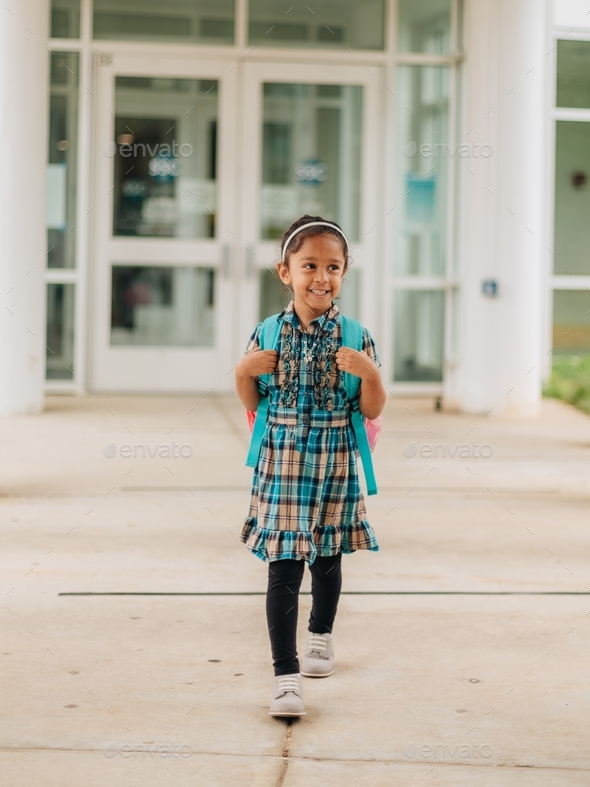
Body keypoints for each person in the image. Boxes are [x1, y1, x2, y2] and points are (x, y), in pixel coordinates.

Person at [235, 215, 386, 717]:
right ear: (285, 271)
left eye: (333, 267)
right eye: (309, 266)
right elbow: (251, 400)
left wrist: (369, 373)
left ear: (344, 273)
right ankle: (285, 675)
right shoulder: (266, 332)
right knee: (283, 566)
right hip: (282, 462)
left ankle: (320, 632)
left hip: (335, 458)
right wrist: (242, 371)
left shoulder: (356, 334)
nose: (321, 277)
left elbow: (371, 409)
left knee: (327, 558)